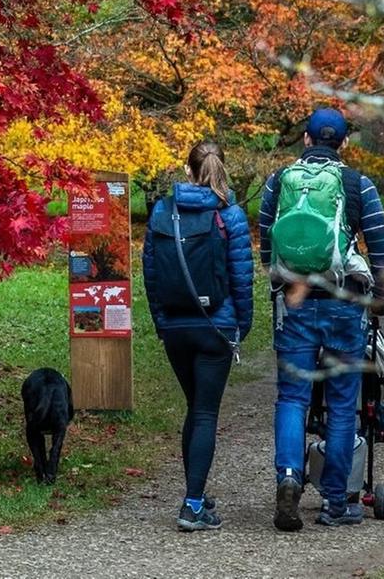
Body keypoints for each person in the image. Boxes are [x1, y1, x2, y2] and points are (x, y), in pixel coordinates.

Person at [260, 106, 384, 530]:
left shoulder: (279, 181)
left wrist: (283, 282)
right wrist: (380, 297)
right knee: (340, 404)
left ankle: (288, 476)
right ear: (345, 143)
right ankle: (337, 501)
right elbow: (380, 248)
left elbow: (267, 243)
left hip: (295, 304)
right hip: (344, 303)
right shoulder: (358, 185)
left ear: (306, 139)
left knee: (292, 397)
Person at [142, 140, 255, 531]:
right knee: (205, 412)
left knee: (195, 408)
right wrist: (240, 326)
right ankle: (192, 506)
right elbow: (242, 278)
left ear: (188, 170)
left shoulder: (162, 211)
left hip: (176, 326)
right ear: (222, 168)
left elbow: (151, 274)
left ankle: (197, 493)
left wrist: (161, 322)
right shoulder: (231, 215)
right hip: (215, 327)